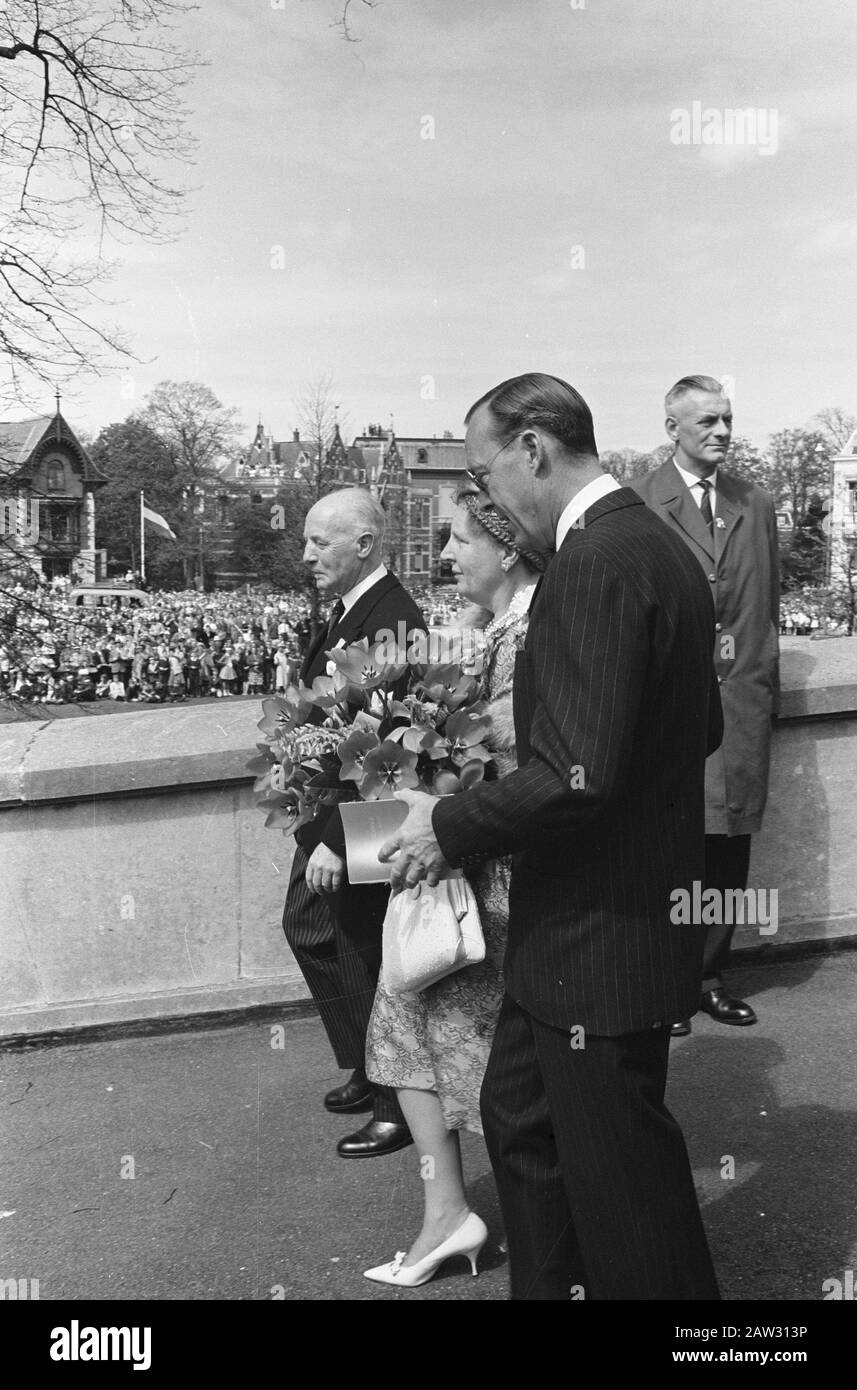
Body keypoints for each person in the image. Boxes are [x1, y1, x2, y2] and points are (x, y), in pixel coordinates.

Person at [379, 372, 723, 1300]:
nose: (484, 497)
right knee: (522, 1122)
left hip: (596, 931)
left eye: (483, 475)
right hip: (596, 924)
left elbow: (576, 775)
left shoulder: (592, 563)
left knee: (625, 1187)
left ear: (532, 449)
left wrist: (447, 823)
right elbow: (699, 730)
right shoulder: (655, 544)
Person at [362, 493, 542, 1287]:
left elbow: (517, 768)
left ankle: (500, 1220)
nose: (444, 555)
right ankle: (451, 1213)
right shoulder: (488, 630)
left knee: (456, 1045)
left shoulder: (529, 637)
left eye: (460, 541)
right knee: (408, 1029)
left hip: (492, 874)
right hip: (456, 863)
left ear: (507, 550)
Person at [283, 489, 427, 1159]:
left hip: (366, 814)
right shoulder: (356, 609)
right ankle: (371, 1067)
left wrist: (339, 842)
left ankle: (396, 1104)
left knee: (370, 951)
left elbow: (384, 744)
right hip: (337, 809)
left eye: (320, 542)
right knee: (319, 931)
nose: (306, 555)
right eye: (307, 542)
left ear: (364, 545)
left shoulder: (389, 618)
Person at [633, 376, 779, 1033]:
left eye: (727, 419)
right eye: (706, 422)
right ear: (672, 428)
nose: (721, 431)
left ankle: (707, 977)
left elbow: (766, 608)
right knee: (668, 846)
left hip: (739, 704)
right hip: (669, 709)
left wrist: (763, 691)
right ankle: (664, 982)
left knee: (726, 847)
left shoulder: (755, 502)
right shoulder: (639, 502)